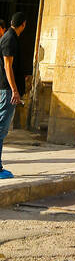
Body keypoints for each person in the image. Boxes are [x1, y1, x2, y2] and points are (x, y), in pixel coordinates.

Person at [0, 12, 26, 178]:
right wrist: (15, 90)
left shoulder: (10, 37)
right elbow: (7, 67)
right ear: (23, 24)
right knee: (1, 128)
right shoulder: (9, 39)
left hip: (7, 90)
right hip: (7, 91)